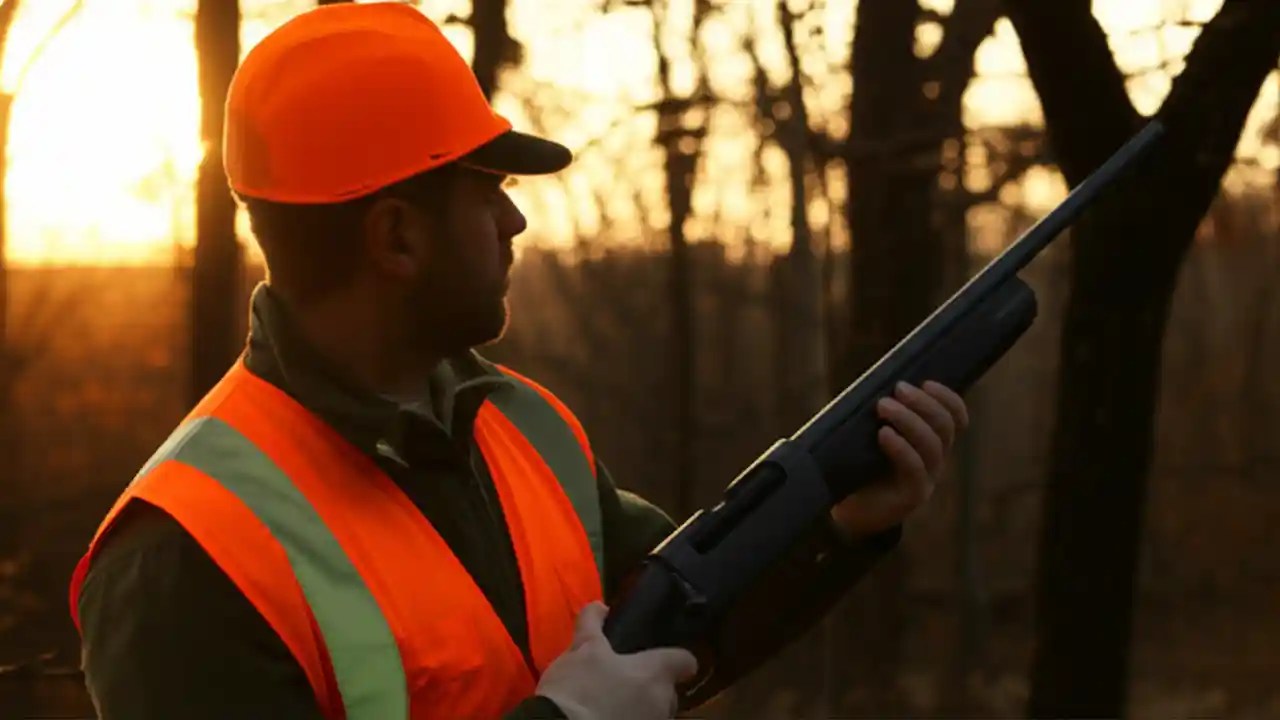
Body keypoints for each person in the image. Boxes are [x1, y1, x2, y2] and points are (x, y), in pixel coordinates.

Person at [69, 4, 971, 720]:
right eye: (490, 190)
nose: (515, 222)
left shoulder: (525, 427)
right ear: (397, 237)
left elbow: (681, 631)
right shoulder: (185, 554)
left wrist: (839, 526)